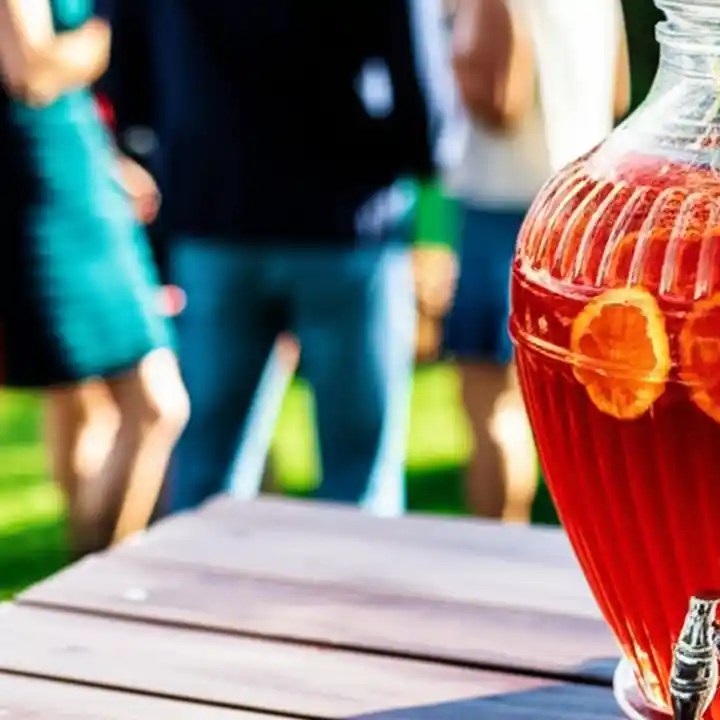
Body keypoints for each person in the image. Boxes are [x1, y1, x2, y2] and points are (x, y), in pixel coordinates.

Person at [104, 0, 432, 519]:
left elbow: (128, 74)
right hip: (340, 216)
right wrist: (419, 155)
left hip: (221, 209)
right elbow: (420, 88)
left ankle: (204, 572)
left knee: (209, 472)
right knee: (357, 477)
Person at [418, 0, 628, 522]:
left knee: (492, 405)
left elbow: (498, 103)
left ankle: (498, 546)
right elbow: (619, 93)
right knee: (577, 410)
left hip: (503, 208)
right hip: (582, 205)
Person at [0, 0, 189, 557]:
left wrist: (104, 162)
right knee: (155, 404)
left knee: (87, 404)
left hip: (70, 164)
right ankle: (98, 578)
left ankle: (85, 571)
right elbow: (29, 71)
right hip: (39, 185)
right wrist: (106, 35)